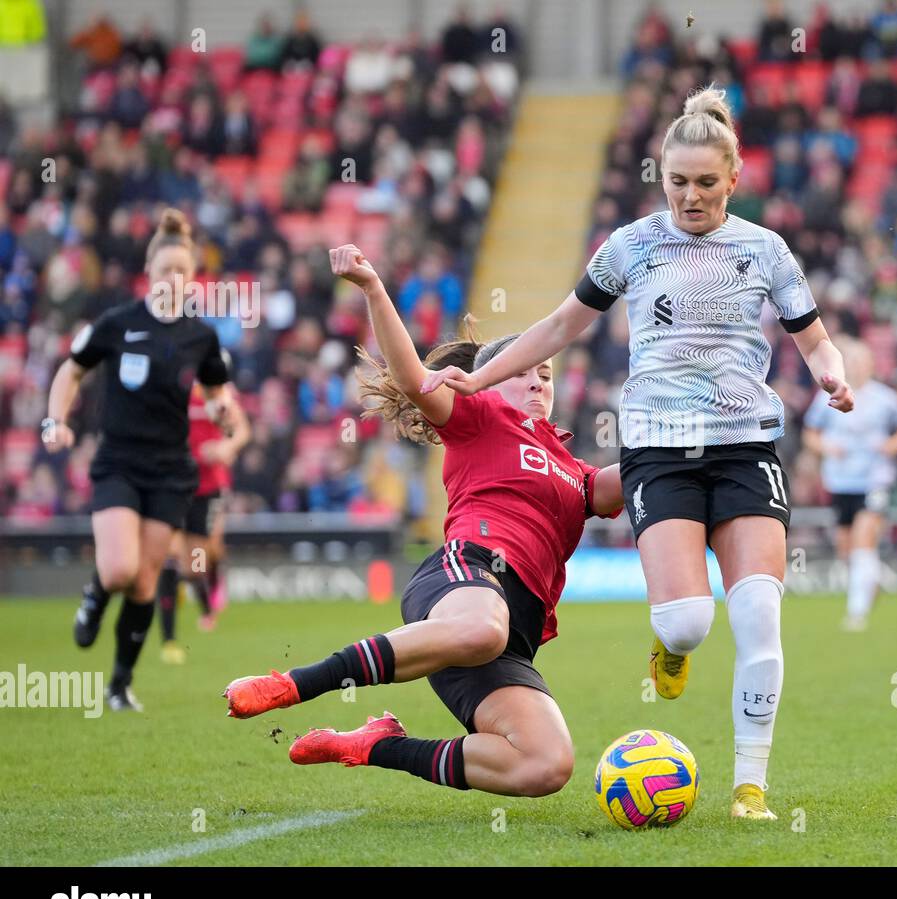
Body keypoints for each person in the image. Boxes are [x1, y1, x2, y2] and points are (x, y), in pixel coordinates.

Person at [422, 86, 855, 820]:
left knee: (757, 614)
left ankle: (750, 785)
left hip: (746, 443)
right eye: (677, 182)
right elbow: (560, 327)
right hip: (658, 448)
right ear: (660, 176)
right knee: (685, 622)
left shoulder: (765, 250)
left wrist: (831, 371)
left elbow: (812, 335)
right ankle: (672, 652)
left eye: (706, 184)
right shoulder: (630, 246)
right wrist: (484, 375)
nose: (690, 197)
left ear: (734, 179)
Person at [223, 245, 624, 800]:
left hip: (511, 637)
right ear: (488, 379)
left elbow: (634, 479)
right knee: (485, 627)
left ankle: (373, 745)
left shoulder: (576, 471)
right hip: (465, 582)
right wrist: (372, 287)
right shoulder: (480, 417)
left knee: (545, 767)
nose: (538, 382)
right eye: (524, 371)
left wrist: (691, 430)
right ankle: (293, 684)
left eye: (547, 375)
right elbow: (413, 380)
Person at [43, 208, 231, 710]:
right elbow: (71, 371)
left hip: (171, 471)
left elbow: (216, 392)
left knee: (147, 580)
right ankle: (95, 596)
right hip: (119, 463)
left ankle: (119, 685)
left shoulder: (200, 336)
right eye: (166, 269)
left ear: (192, 279)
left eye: (183, 272)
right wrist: (54, 421)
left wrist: (224, 413)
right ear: (149, 273)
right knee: (122, 569)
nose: (174, 279)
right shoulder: (117, 324)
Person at [803, 339, 897, 631]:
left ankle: (856, 614)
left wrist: (891, 445)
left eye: (861, 361)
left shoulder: (886, 399)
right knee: (846, 552)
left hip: (874, 481)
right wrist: (827, 448)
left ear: (871, 365)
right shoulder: (827, 397)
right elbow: (810, 434)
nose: (856, 366)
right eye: (851, 361)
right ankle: (872, 580)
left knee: (863, 539)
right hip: (841, 482)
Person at [157, 377, 250, 662]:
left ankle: (207, 601)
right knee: (169, 557)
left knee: (197, 562)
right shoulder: (168, 387)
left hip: (208, 487)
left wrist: (226, 448)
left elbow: (241, 429)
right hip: (172, 485)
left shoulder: (216, 391)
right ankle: (169, 640)